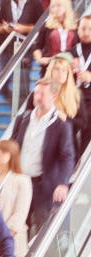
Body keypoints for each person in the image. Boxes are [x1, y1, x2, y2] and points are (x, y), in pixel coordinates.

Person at [11, 79, 76, 234]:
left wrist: (63, 183)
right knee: (17, 228)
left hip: (43, 186)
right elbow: (13, 145)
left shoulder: (61, 126)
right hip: (20, 182)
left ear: (53, 96)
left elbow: (67, 156)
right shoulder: (22, 119)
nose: (37, 96)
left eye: (42, 93)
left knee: (42, 228)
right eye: (36, 92)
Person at [0, 0, 45, 104]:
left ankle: (22, 108)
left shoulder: (35, 3)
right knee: (1, 85)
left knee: (22, 86)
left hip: (26, 50)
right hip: (7, 49)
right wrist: (4, 28)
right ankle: (19, 105)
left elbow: (42, 26)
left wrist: (24, 28)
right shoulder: (5, 2)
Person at [33, 0, 78, 77]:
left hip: (69, 68)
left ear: (66, 6)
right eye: (53, 6)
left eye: (58, 5)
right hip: (50, 66)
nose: (55, 8)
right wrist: (40, 59)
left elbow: (80, 46)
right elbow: (37, 46)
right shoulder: (46, 26)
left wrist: (77, 61)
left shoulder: (75, 25)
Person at [71, 14, 91, 155]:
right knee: (67, 133)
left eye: (90, 29)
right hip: (73, 101)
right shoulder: (70, 53)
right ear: (77, 30)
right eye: (83, 28)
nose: (86, 32)